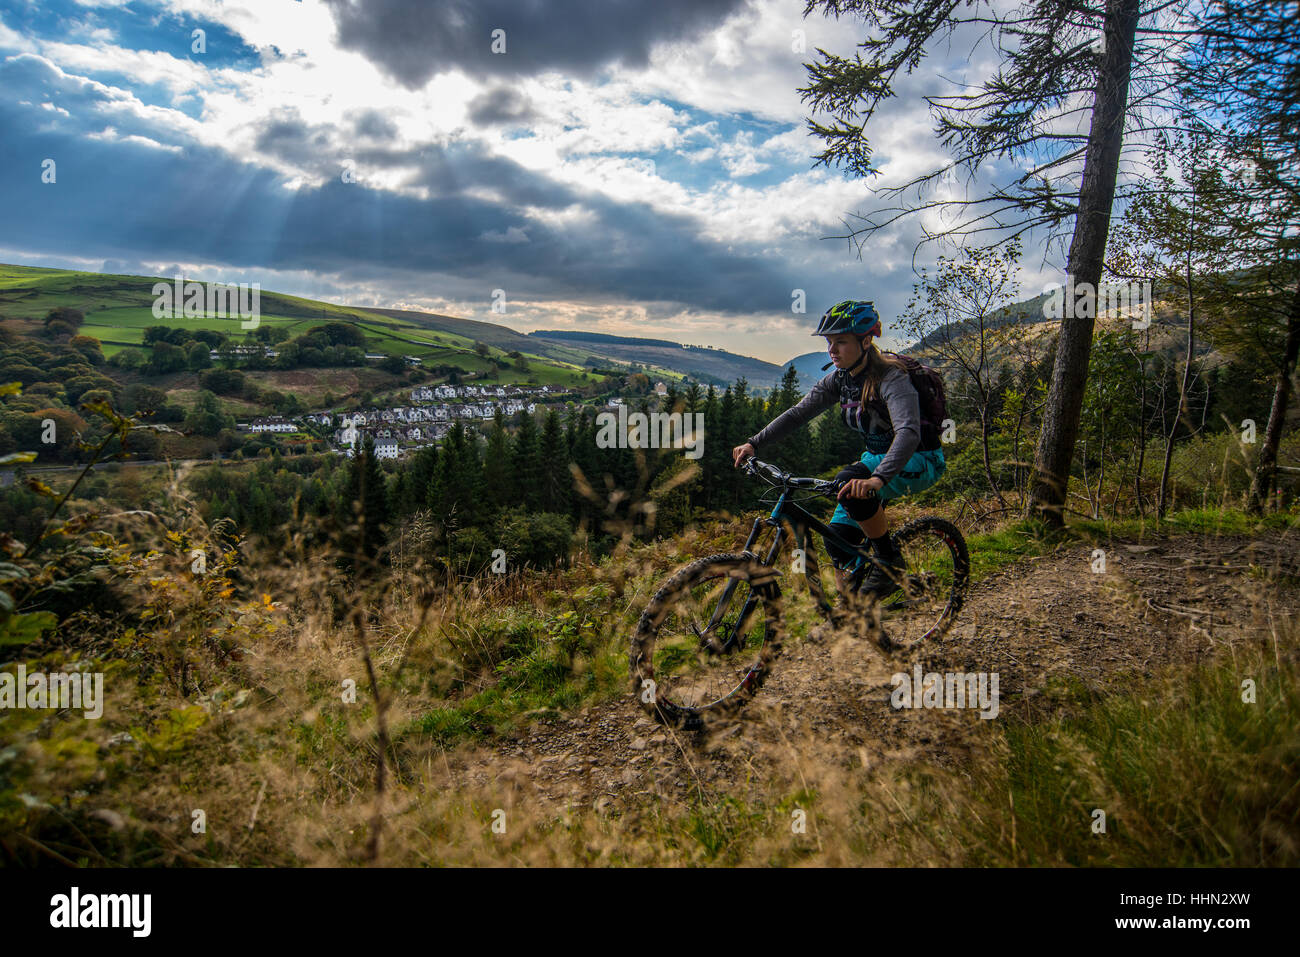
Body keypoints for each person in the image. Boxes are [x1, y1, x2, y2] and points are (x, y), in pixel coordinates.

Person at [731, 300, 946, 598]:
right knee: (837, 539)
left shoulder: (891, 378)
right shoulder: (841, 379)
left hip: (919, 458)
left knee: (849, 483)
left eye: (841, 341)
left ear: (866, 341)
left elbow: (908, 432)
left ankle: (890, 562)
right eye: (830, 342)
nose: (832, 349)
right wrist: (754, 442)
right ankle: (858, 610)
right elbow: (798, 414)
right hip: (876, 459)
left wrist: (876, 479)